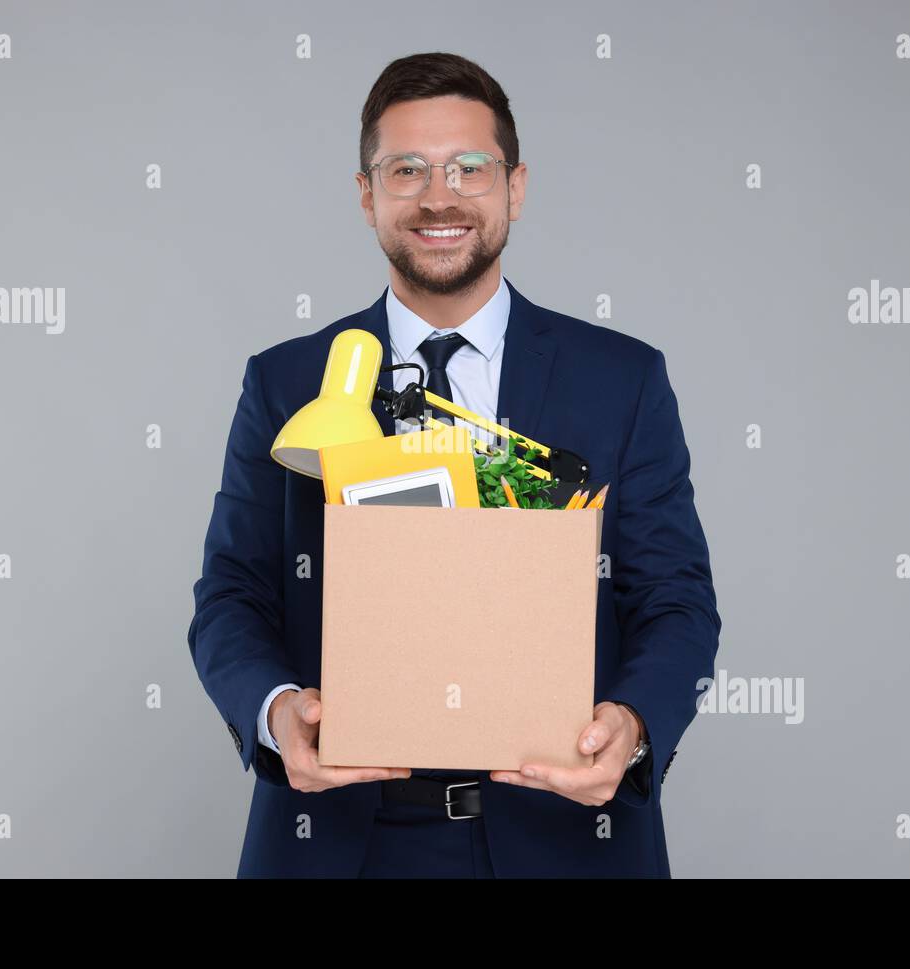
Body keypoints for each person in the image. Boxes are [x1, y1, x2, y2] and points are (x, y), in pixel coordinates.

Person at [187, 51, 721, 878]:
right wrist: (277, 711)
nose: (440, 196)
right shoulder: (289, 380)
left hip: (565, 839)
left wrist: (635, 722)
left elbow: (676, 599)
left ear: (515, 187)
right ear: (366, 196)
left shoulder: (622, 379)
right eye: (407, 170)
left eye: (470, 167)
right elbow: (231, 594)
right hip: (335, 842)